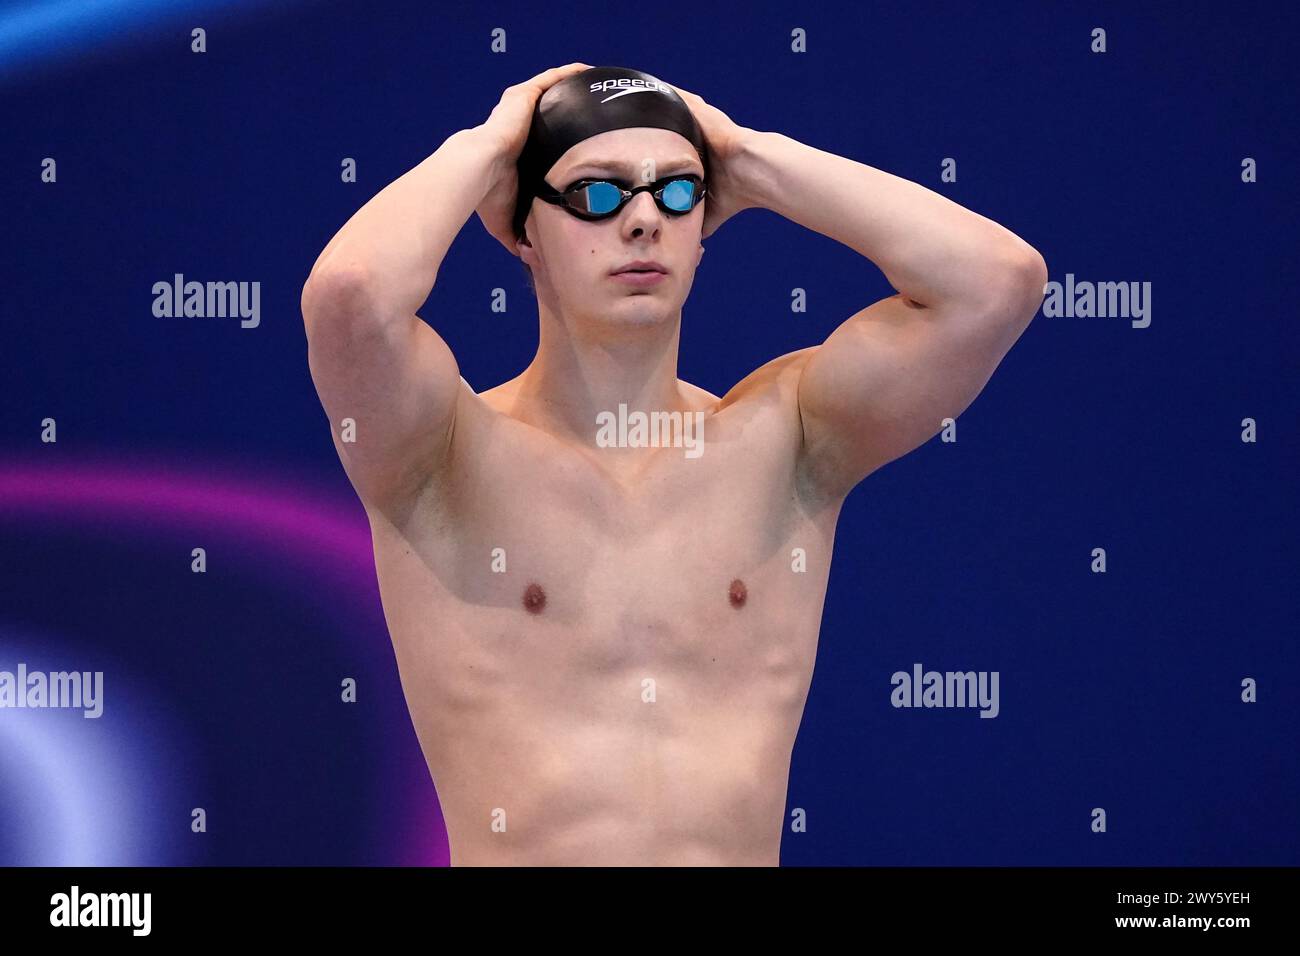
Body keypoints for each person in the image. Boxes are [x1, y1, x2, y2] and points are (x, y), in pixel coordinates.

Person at [300, 63, 1046, 866]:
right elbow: (350, 295)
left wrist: (746, 155)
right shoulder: (440, 454)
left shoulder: (786, 438)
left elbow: (998, 283)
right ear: (523, 232)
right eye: (597, 193)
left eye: (678, 192)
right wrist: (491, 144)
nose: (644, 221)